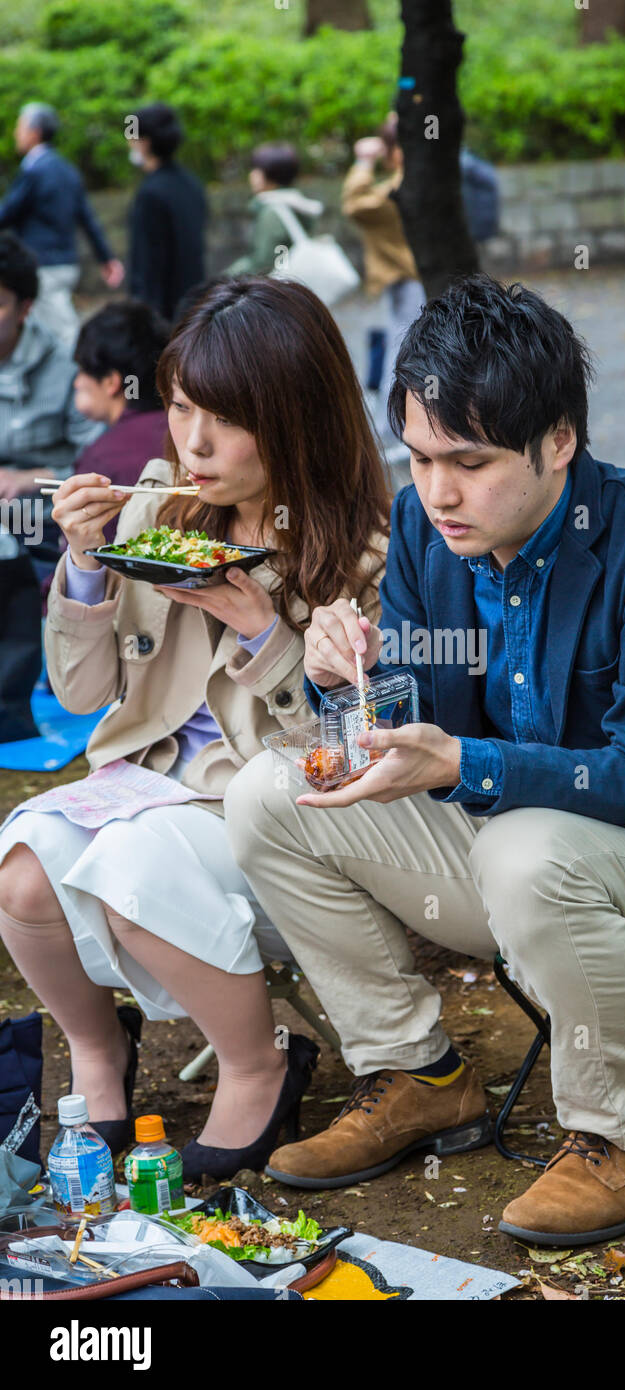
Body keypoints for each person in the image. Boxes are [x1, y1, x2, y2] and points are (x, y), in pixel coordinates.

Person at [224, 273, 625, 1246]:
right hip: (522, 868)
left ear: (557, 441)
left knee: (526, 848)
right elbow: (424, 717)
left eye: (467, 460)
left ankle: (624, 1132)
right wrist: (354, 677)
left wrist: (460, 758)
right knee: (266, 794)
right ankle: (418, 1076)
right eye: (418, 459)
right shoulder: (428, 528)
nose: (435, 491)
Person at [0, 275, 390, 1181]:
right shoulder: (156, 512)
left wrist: (265, 634)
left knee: (131, 864)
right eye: (180, 408)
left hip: (282, 827)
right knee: (19, 871)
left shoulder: (366, 551)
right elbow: (82, 686)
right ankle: (100, 1049)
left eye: (226, 418)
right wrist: (87, 567)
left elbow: (351, 754)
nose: (195, 443)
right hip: (144, 787)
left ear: (294, 416)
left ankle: (263, 1059)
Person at [0, 231, 104, 739]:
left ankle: (10, 709)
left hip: (45, 520)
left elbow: (104, 471)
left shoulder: (66, 367)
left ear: (24, 307)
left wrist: (29, 482)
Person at [0, 104, 124, 347]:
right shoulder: (68, 170)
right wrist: (106, 257)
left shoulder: (35, 169)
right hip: (66, 263)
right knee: (42, 332)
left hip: (43, 265)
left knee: (65, 335)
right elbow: (87, 218)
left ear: (34, 132)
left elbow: (7, 212)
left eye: (20, 127)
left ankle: (89, 374)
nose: (16, 133)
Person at [342, 113, 424, 447]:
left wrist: (363, 161)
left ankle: (396, 430)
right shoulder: (427, 179)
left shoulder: (398, 188)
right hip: (414, 277)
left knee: (399, 350)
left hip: (405, 279)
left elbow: (354, 204)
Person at [72, 300, 170, 539]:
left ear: (111, 382)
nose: (76, 382)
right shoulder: (185, 430)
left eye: (82, 370)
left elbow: (85, 553)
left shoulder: (103, 460)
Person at [127, 104, 207, 322]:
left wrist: (144, 317)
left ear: (145, 142)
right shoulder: (191, 183)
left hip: (161, 313)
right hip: (193, 304)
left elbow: (148, 264)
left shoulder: (150, 193)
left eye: (132, 136)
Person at [226, 142, 324, 277]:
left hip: (277, 289)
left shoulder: (273, 212)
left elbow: (263, 262)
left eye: (256, 169)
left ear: (270, 174)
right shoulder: (295, 203)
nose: (252, 175)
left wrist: (225, 278)